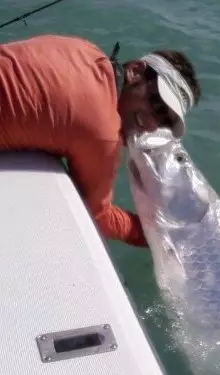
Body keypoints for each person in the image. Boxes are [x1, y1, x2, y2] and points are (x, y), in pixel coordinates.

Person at [0, 34, 202, 247]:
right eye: (157, 105)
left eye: (164, 122)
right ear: (135, 70)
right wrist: (156, 236)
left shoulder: (84, 50)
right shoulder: (104, 133)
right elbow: (97, 217)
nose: (152, 124)